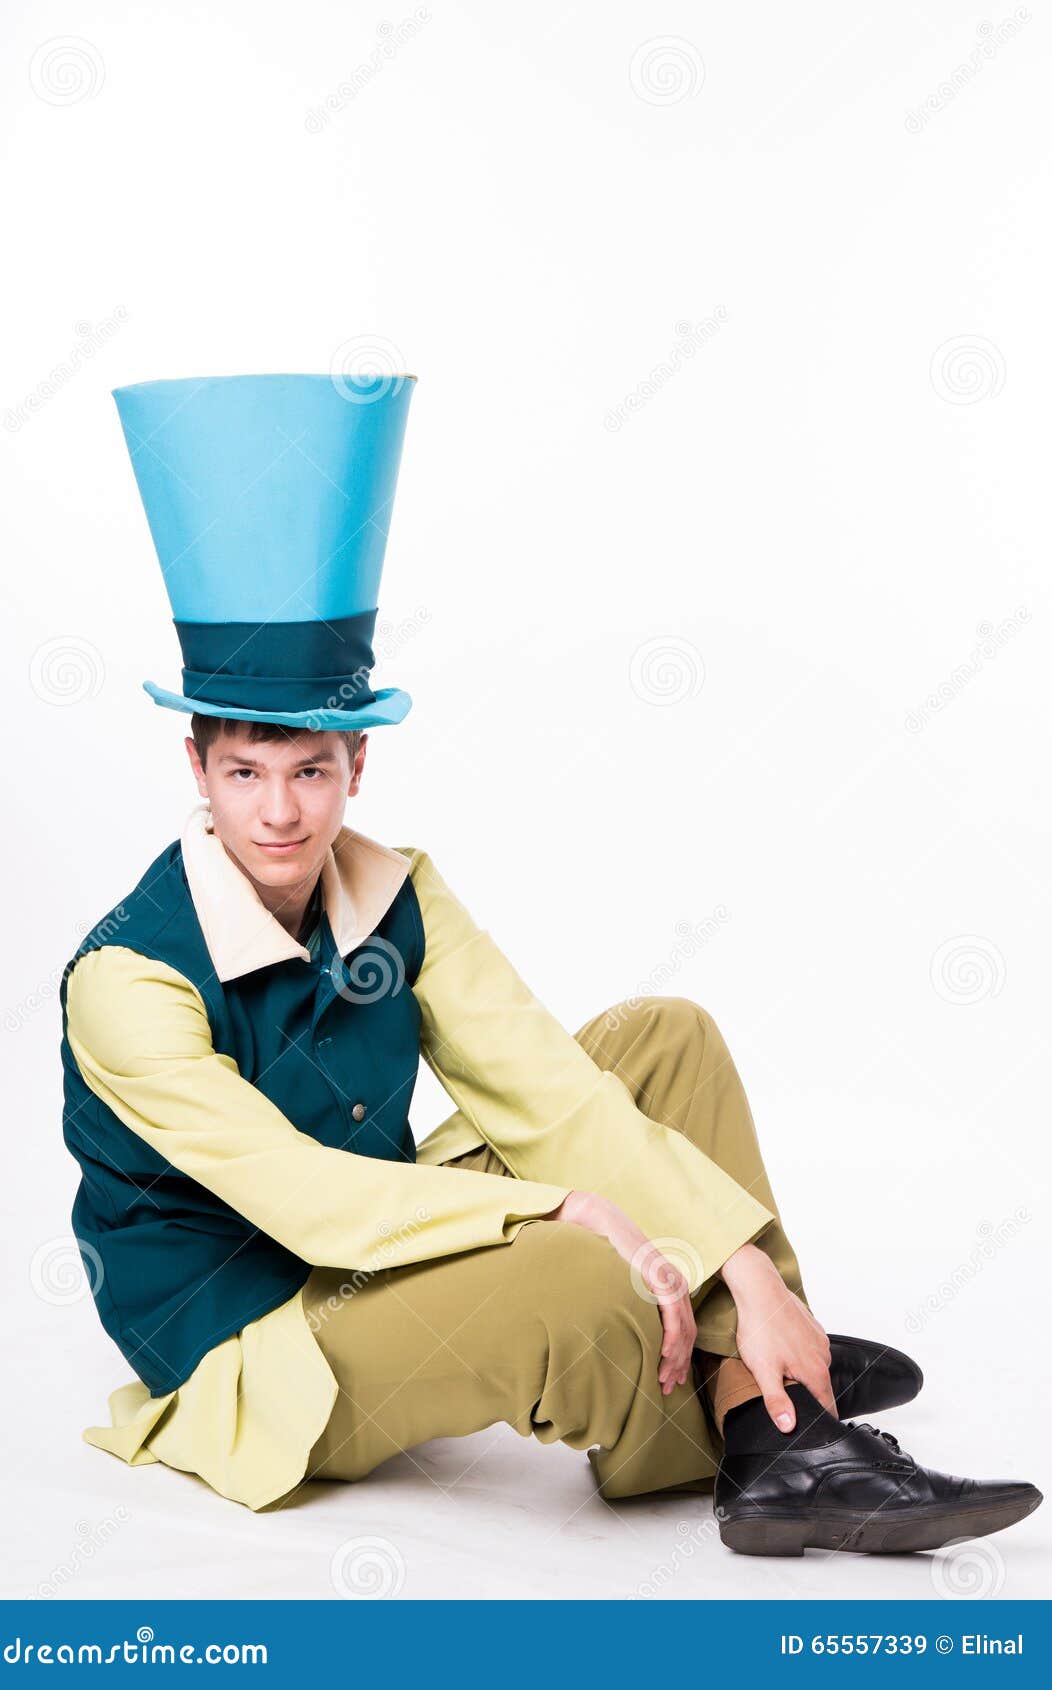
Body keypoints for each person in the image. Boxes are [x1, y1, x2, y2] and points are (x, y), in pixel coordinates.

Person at [61, 372, 1041, 1558]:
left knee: (660, 1041)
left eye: (310, 769)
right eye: (245, 772)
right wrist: (571, 1211)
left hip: (389, 1264)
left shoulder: (395, 889)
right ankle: (773, 1401)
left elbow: (553, 1090)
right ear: (198, 765)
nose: (279, 811)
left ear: (356, 768)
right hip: (265, 1346)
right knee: (588, 1268)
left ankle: (765, 1397)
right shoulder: (128, 979)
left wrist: (741, 1261)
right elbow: (311, 1204)